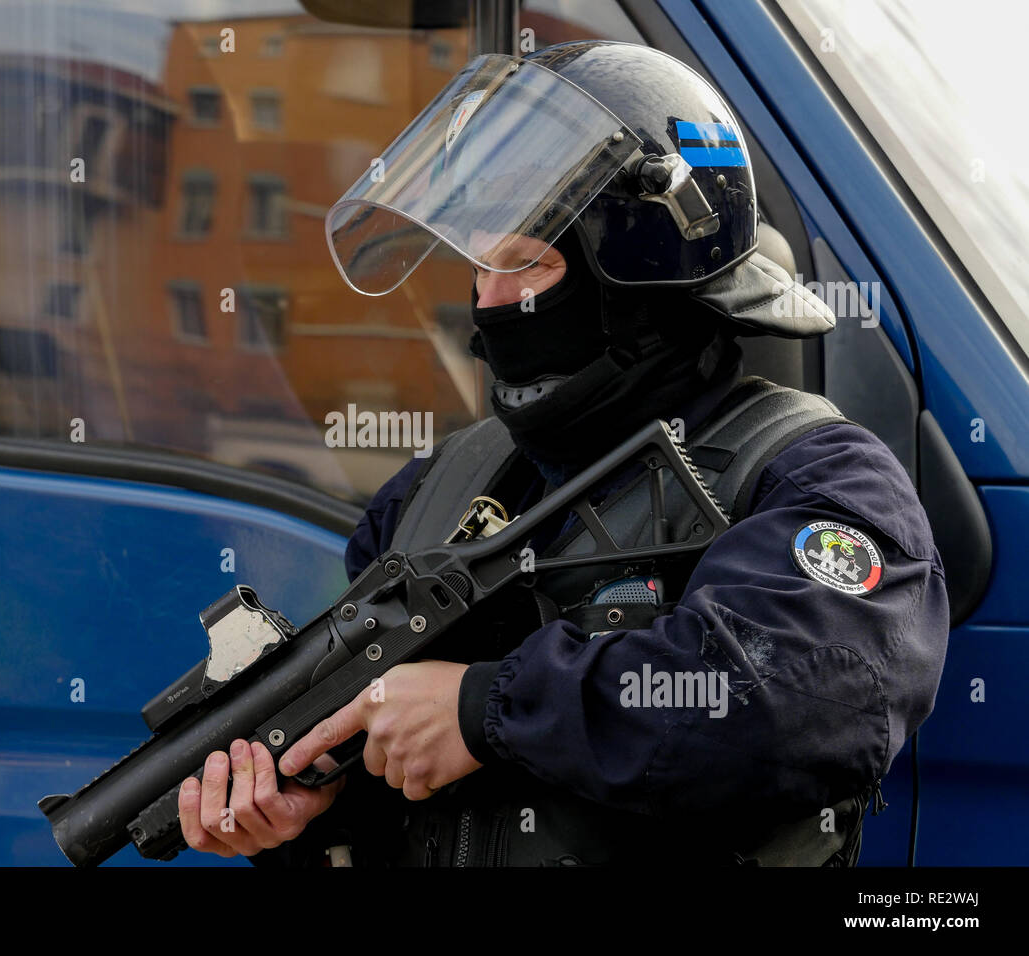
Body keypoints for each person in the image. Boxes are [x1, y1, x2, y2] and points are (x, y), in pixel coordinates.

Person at [175, 40, 950, 866]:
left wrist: (488, 708)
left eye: (528, 266)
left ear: (639, 288)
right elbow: (399, 784)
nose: (492, 303)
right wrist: (306, 817)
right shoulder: (431, 494)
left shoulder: (818, 478)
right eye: (479, 267)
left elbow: (798, 698)